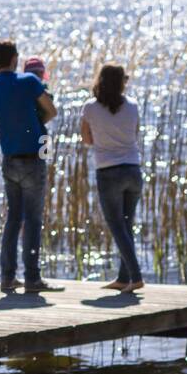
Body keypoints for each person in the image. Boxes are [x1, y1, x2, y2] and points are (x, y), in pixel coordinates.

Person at [0, 41, 59, 292]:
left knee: (13, 219)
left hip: (9, 160)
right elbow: (51, 110)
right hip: (32, 157)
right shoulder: (28, 81)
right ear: (15, 58)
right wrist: (40, 124)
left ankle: (7, 276)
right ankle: (32, 278)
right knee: (33, 219)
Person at [80, 63, 145, 292]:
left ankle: (135, 277)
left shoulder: (90, 108)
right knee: (126, 226)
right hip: (133, 170)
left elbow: (87, 139)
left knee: (117, 226)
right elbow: (134, 134)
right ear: (121, 83)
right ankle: (123, 279)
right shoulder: (133, 106)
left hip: (108, 171)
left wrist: (103, 139)